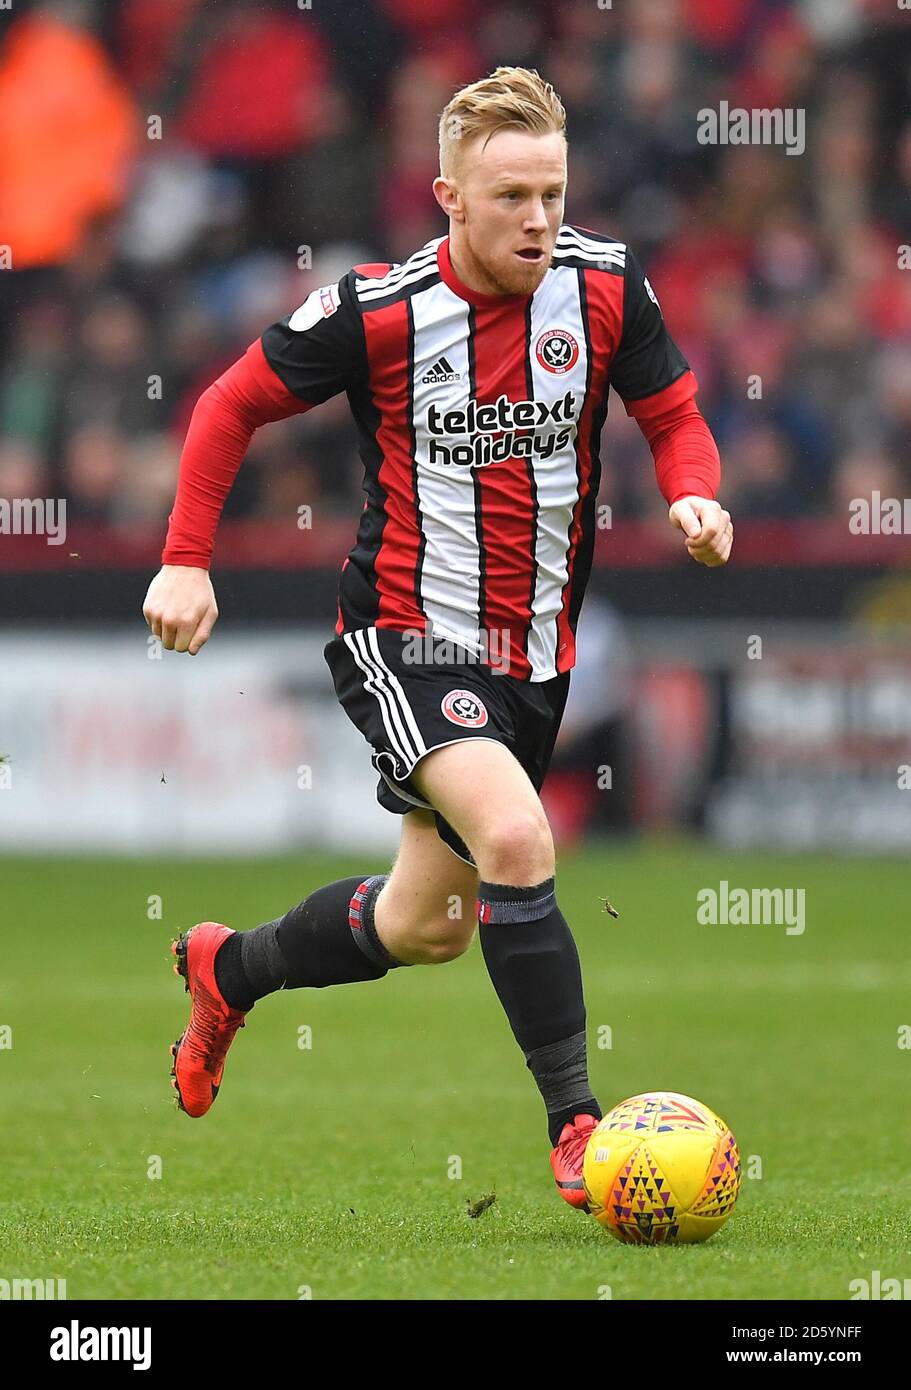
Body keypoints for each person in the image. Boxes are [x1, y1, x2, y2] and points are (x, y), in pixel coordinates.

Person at [143, 66, 732, 1210]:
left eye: (552, 193)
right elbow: (228, 404)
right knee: (517, 839)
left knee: (426, 926)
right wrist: (183, 555)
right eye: (509, 194)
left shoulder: (605, 287)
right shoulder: (378, 309)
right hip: (404, 633)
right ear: (448, 198)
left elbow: (671, 411)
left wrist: (693, 492)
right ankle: (578, 1129)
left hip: (534, 658)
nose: (536, 219)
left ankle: (232, 967)